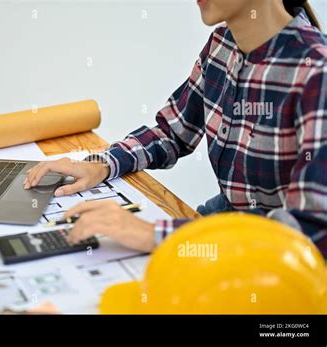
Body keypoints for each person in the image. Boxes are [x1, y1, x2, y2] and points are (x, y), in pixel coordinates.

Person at [25, 0, 327, 256]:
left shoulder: (317, 71)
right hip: (225, 223)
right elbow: (172, 132)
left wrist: (155, 235)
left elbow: (309, 232)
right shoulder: (222, 45)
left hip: (277, 255)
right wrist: (100, 165)